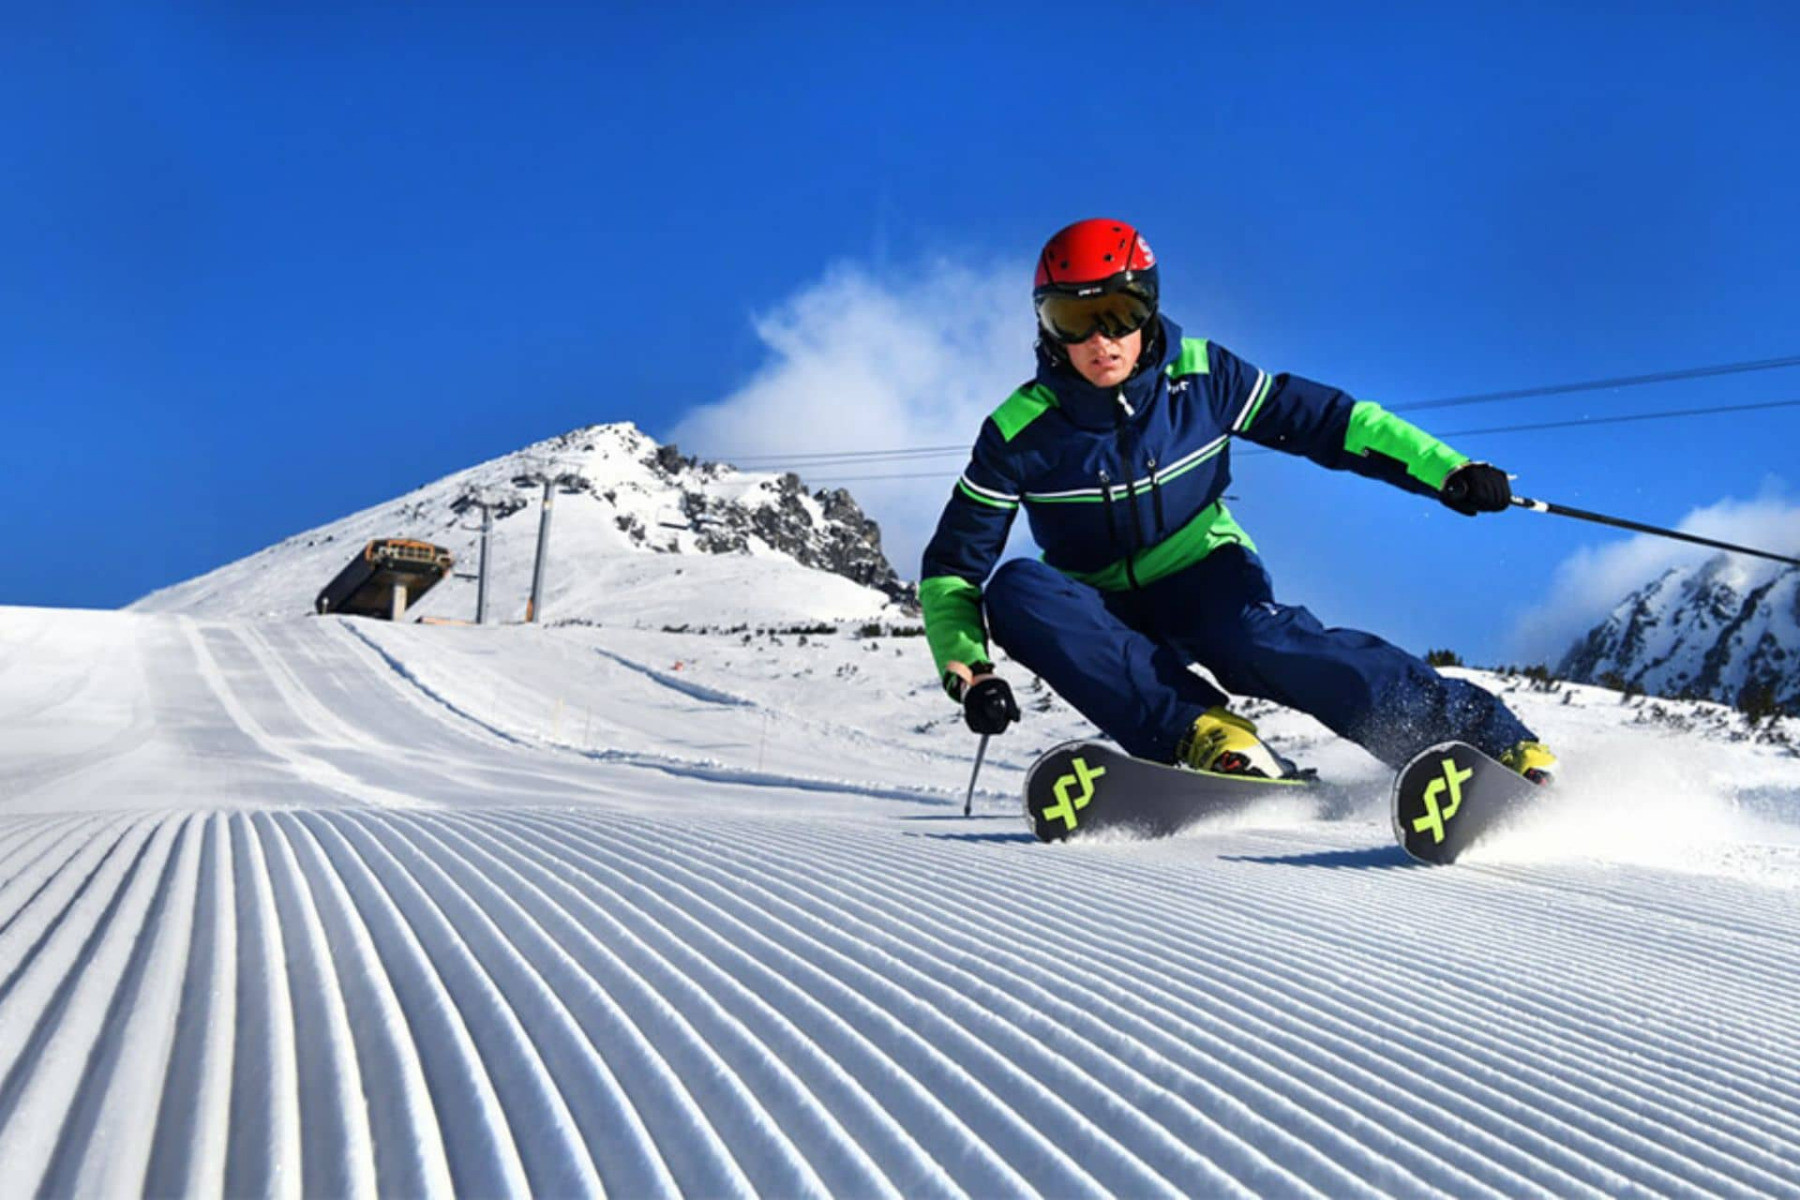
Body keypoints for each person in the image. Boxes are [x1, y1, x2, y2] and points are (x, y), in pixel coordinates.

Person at [919, 217, 1556, 783]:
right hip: (1099, 604)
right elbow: (952, 570)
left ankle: (1480, 742)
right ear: (1047, 326)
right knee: (1015, 590)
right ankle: (1202, 736)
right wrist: (970, 672)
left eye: (1118, 312)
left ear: (1148, 304)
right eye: (1073, 319)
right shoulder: (1017, 432)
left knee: (1258, 641)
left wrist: (1447, 470)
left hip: (1205, 572)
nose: (1100, 340)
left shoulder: (1204, 377)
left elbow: (1329, 422)